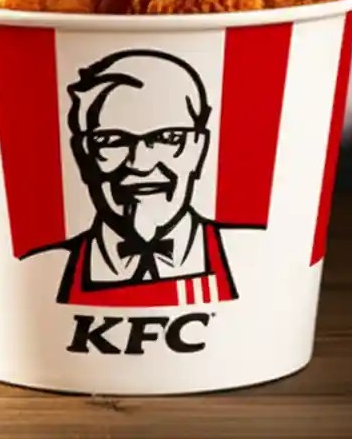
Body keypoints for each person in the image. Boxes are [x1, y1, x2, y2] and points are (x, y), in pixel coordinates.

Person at [34, 49, 237, 306]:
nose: (140, 164)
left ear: (199, 149)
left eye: (168, 138)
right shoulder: (43, 267)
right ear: (83, 155)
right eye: (112, 140)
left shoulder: (249, 254)